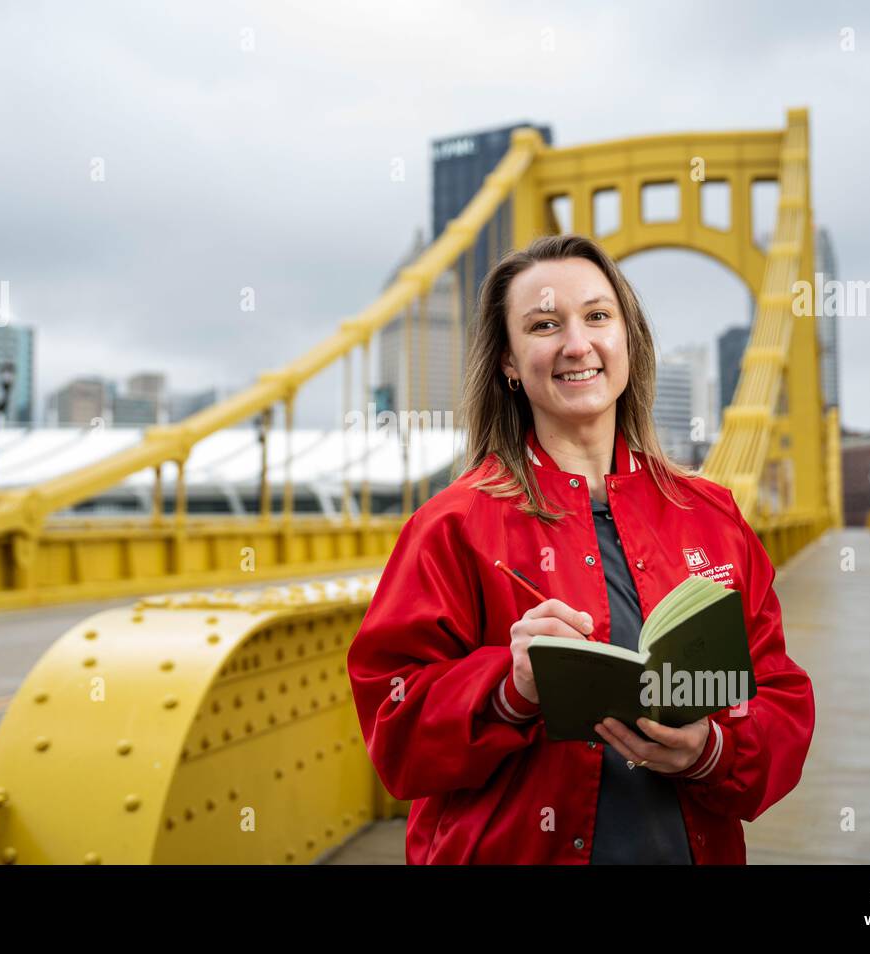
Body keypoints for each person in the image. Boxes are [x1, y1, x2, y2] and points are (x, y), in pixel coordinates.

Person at [346, 233, 816, 864]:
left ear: (628, 339)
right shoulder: (451, 527)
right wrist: (508, 687)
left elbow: (780, 701)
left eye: (597, 316)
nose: (576, 344)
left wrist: (711, 752)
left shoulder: (713, 517)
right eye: (544, 325)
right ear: (509, 362)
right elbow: (393, 732)